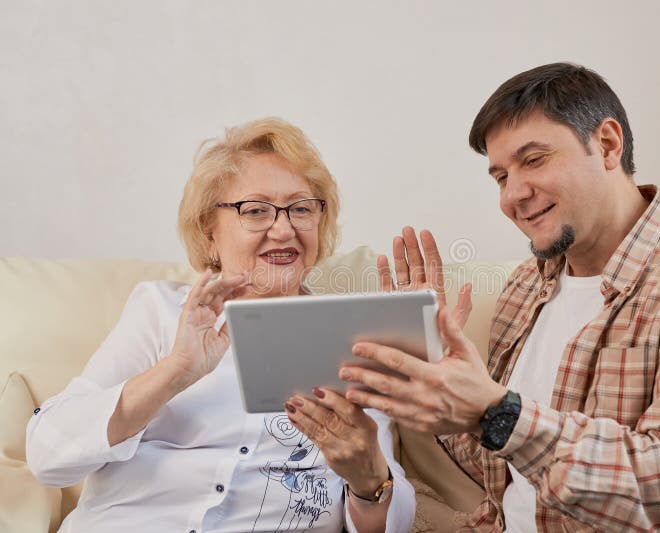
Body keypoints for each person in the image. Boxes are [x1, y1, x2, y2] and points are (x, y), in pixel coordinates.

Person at [340, 63, 660, 531]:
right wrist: (439, 371)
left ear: (606, 145)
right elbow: (505, 467)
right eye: (500, 176)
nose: (513, 195)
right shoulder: (527, 286)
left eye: (534, 159)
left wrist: (497, 413)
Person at [26, 117, 414, 532]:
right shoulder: (159, 310)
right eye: (256, 211)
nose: (283, 229)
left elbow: (391, 521)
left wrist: (369, 477)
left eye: (301, 209)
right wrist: (175, 371)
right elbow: (48, 455)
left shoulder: (354, 338)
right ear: (209, 231)